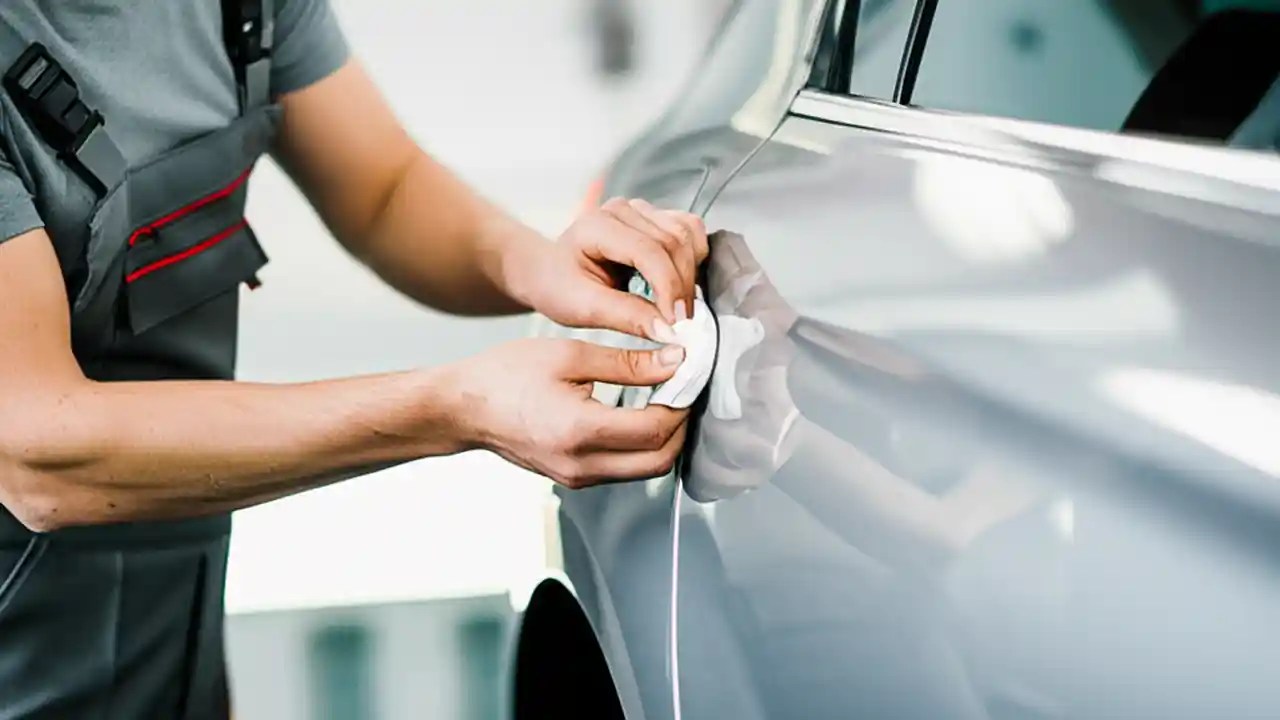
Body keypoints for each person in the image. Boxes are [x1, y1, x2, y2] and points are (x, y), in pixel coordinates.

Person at [0, 2, 705, 717]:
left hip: (170, 643)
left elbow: (384, 189)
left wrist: (538, 263)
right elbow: (42, 451)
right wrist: (455, 407)